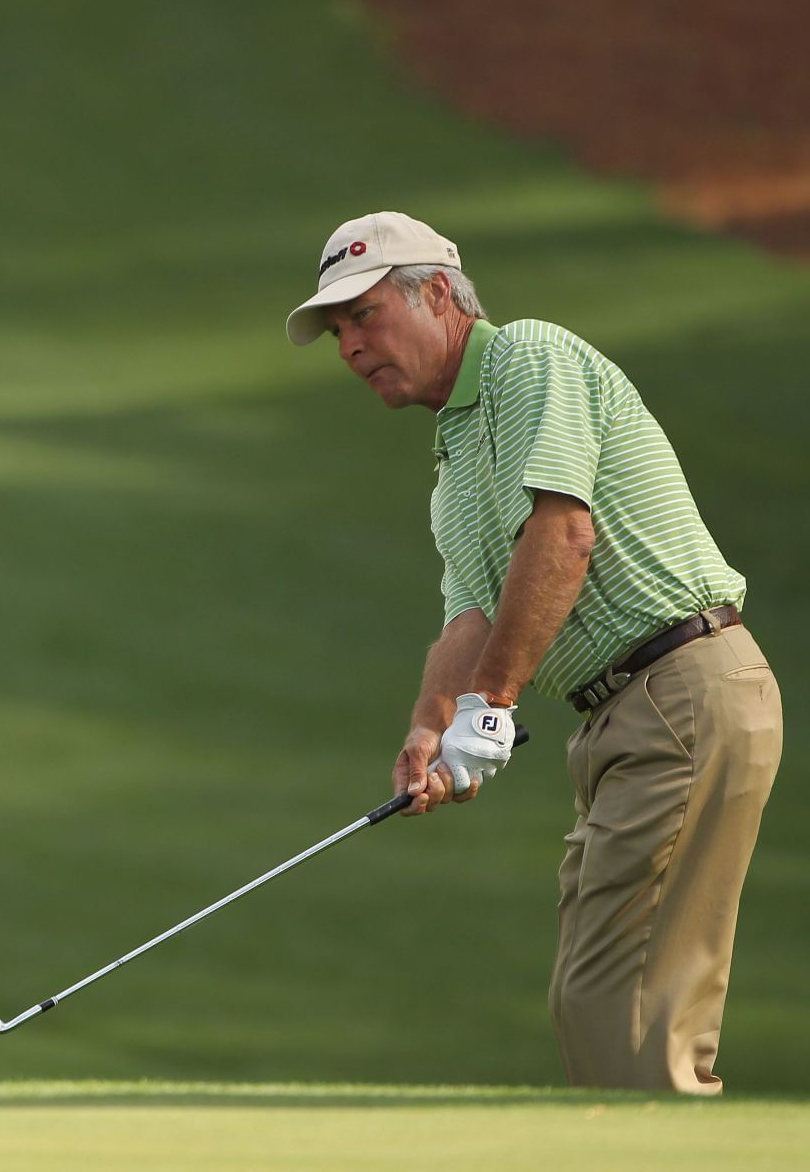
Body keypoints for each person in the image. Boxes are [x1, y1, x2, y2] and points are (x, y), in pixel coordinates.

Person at [285, 211, 782, 1095]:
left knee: (627, 1007)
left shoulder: (527, 358)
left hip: (681, 686)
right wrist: (431, 728)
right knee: (594, 998)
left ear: (439, 295)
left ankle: (667, 1154)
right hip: (629, 715)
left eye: (364, 315)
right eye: (337, 332)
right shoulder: (453, 465)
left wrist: (491, 708)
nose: (351, 346)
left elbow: (562, 535)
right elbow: (470, 618)